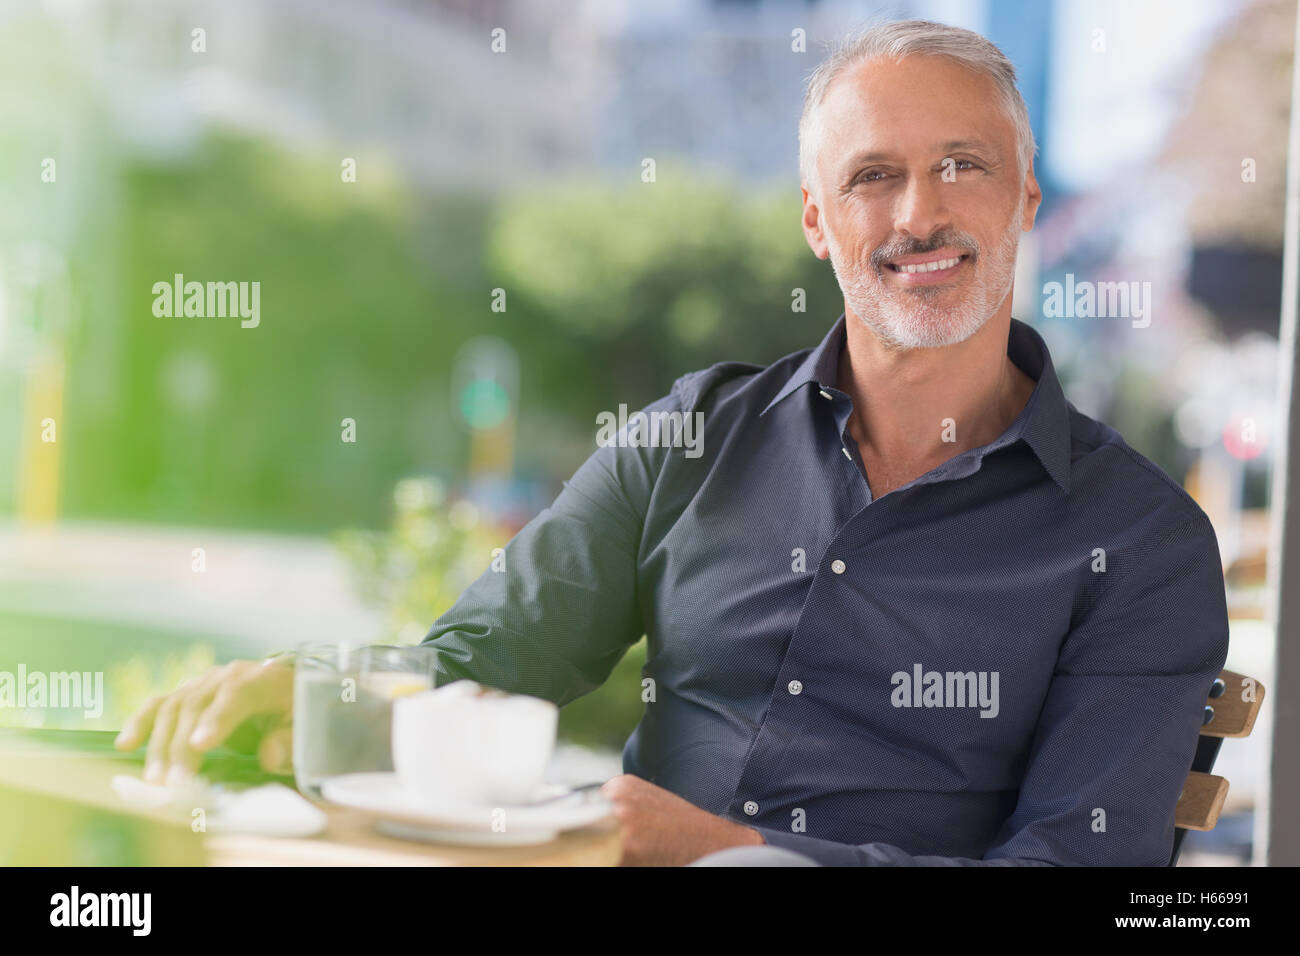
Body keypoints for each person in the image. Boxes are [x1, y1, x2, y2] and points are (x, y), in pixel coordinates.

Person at [116, 19, 1229, 867]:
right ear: (815, 221)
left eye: (961, 165)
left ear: (1024, 194)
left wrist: (727, 852)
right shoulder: (695, 435)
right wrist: (318, 693)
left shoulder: (1137, 542)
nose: (913, 216)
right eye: (871, 176)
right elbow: (487, 658)